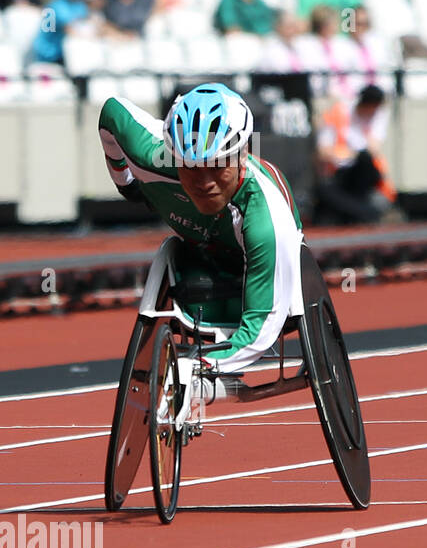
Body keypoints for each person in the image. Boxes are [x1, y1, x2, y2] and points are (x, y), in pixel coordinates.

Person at [98, 83, 304, 401]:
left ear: (242, 153)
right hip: (202, 254)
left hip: (261, 264)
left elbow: (261, 329)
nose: (204, 182)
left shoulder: (266, 220)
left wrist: (199, 365)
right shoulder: (148, 155)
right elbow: (111, 112)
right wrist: (124, 182)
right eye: (191, 168)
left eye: (218, 166)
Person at [314, 84, 399, 225]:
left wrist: (349, 153)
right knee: (324, 191)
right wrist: (350, 154)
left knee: (365, 160)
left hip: (364, 173)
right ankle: (369, 214)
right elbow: (323, 151)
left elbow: (372, 150)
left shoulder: (379, 115)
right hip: (340, 173)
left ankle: (362, 213)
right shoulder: (339, 113)